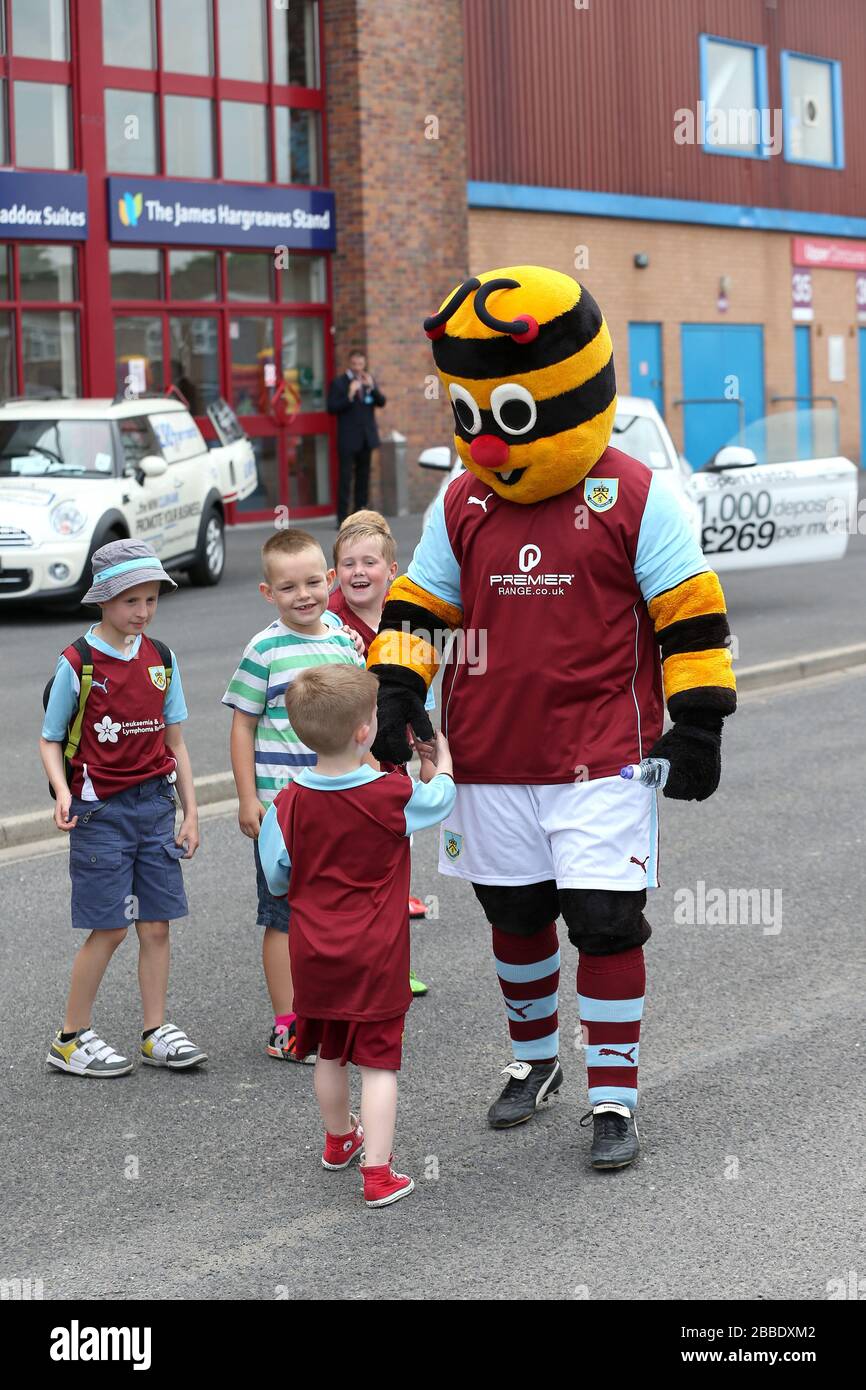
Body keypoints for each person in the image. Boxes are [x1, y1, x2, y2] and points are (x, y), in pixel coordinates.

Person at [368, 265, 737, 1170]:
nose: (490, 445)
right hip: (490, 761)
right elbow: (420, 605)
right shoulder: (461, 500)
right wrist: (398, 690)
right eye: (475, 421)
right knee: (516, 921)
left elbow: (689, 611)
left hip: (604, 761)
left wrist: (699, 725)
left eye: (511, 418)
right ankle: (534, 1062)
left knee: (607, 923)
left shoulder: (637, 493)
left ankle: (613, 1097)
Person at [257, 665, 456, 1208]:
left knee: (327, 1054)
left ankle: (340, 1139)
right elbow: (439, 800)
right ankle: (378, 1174)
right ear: (366, 731)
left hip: (313, 955)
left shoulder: (285, 803)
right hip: (376, 956)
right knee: (380, 1064)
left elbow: (277, 876)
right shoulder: (391, 794)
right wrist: (439, 762)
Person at [41, 539, 206, 1077]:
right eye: (131, 600)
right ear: (103, 601)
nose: (142, 611)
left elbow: (175, 742)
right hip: (100, 812)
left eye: (151, 599)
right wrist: (63, 793)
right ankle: (70, 1038)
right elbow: (49, 739)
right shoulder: (78, 662)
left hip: (155, 806)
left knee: (156, 925)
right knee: (110, 927)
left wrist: (191, 810)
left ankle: (155, 1030)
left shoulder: (163, 657)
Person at [223, 528, 366, 1064]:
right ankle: (287, 1024)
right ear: (268, 593)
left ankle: (329, 1009)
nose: (303, 595)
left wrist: (373, 781)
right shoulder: (263, 649)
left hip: (338, 802)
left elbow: (357, 724)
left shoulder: (341, 640)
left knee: (333, 912)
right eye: (288, 588)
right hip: (282, 812)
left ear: (330, 580)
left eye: (312, 582)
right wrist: (246, 798)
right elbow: (242, 728)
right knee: (282, 915)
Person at [329, 509, 432, 995]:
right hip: (344, 766)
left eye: (370, 562)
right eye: (349, 564)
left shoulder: (407, 616)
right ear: (336, 574)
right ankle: (350, 969)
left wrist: (427, 746)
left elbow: (419, 689)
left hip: (393, 763)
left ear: (392, 570)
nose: (359, 573)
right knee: (352, 872)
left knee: (394, 866)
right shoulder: (328, 622)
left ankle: (394, 965)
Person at [326, 350, 386, 525]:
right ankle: (342, 518)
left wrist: (372, 389)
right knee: (345, 479)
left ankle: (360, 517)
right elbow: (331, 408)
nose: (358, 369)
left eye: (361, 365)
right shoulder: (339, 383)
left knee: (363, 478)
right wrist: (349, 395)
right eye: (355, 365)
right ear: (349, 364)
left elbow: (382, 402)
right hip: (348, 439)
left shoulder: (368, 381)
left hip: (366, 438)